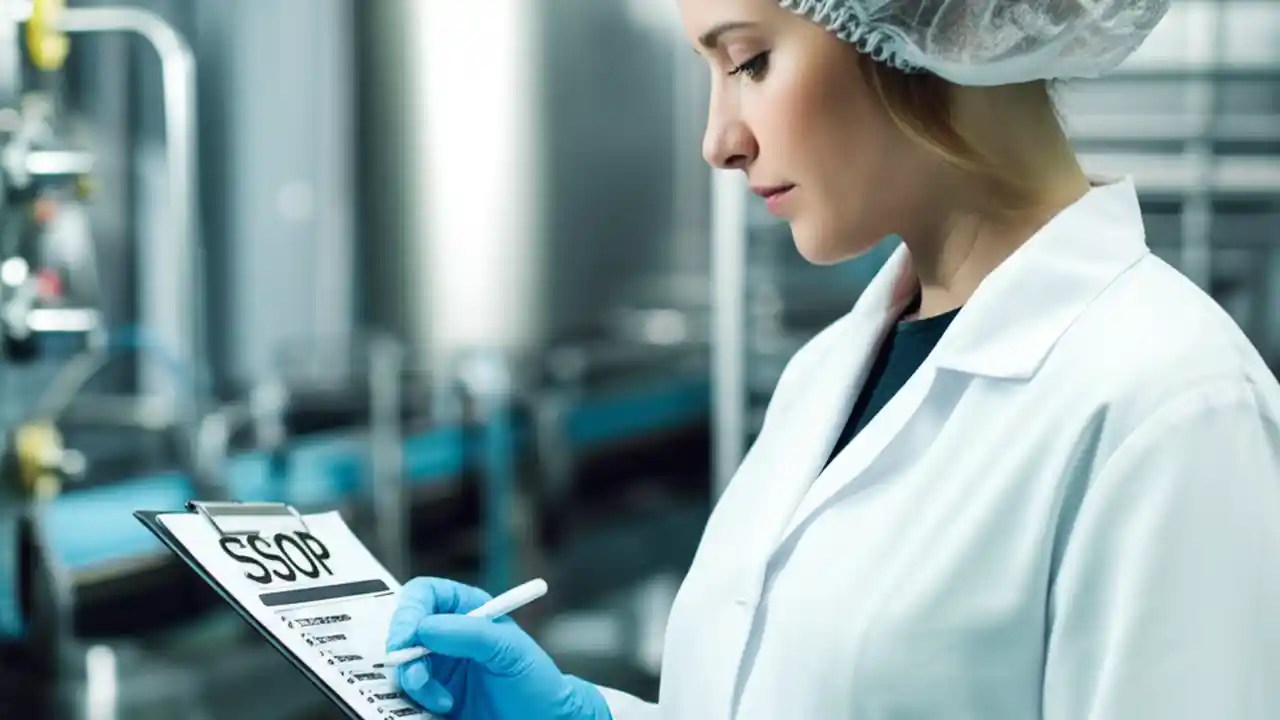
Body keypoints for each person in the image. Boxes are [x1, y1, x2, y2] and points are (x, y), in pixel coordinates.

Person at [385, 0, 1280, 717]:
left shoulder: (1172, 409)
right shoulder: (832, 373)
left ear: (943, 29)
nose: (719, 142)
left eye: (750, 62)